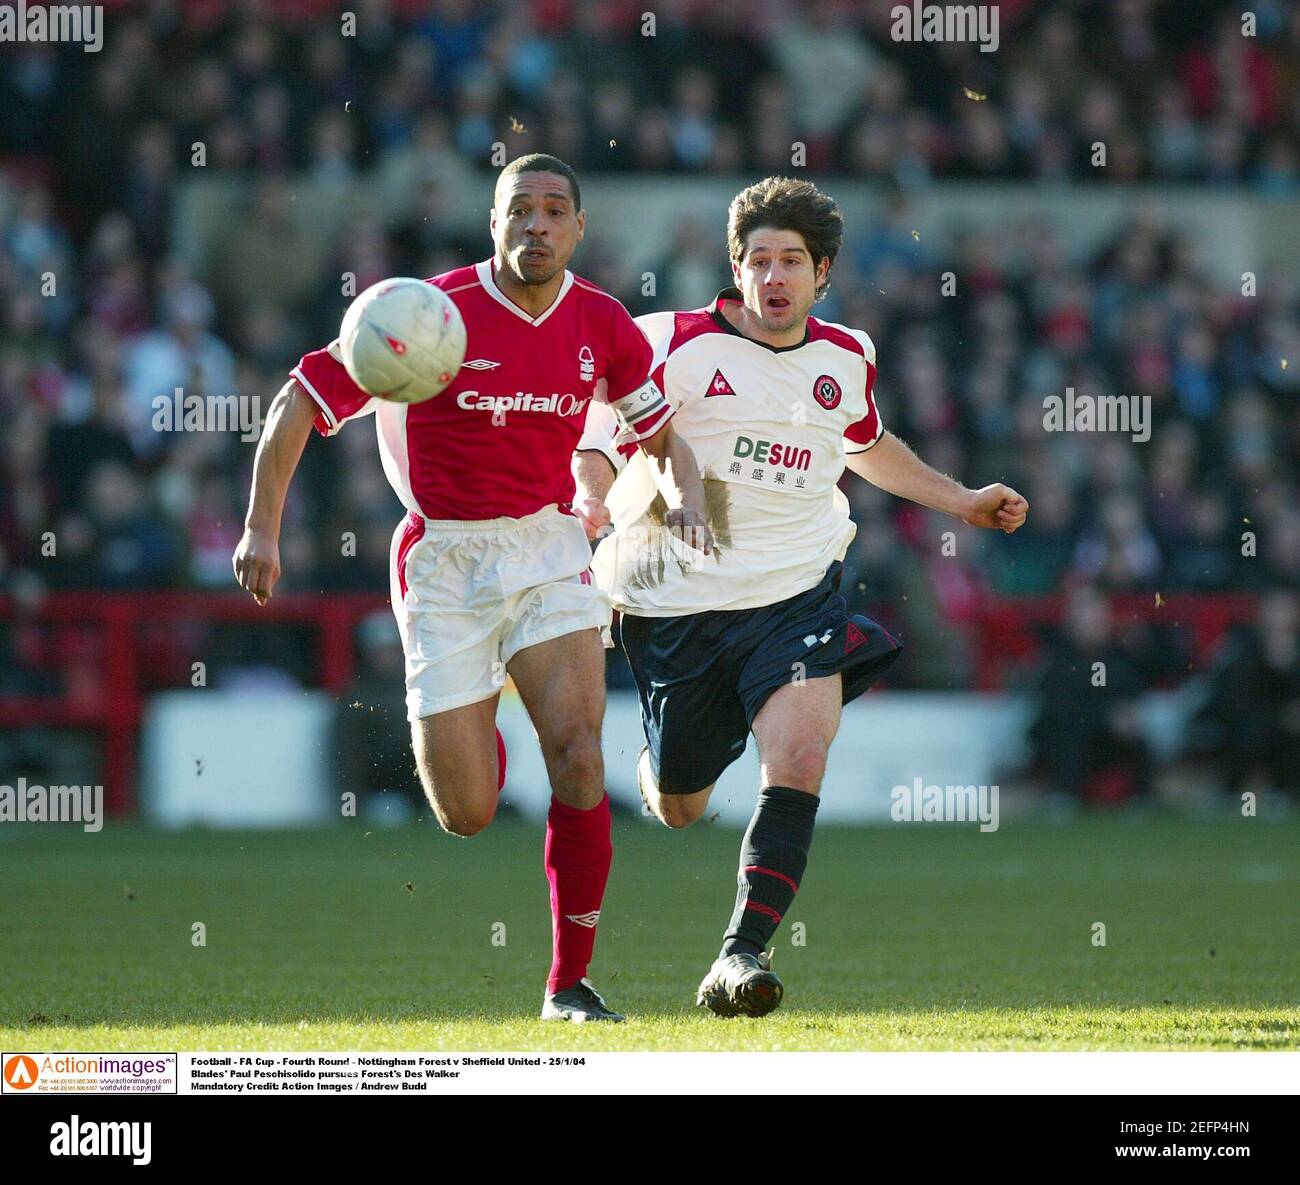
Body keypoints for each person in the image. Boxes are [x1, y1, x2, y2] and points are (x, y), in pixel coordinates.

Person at [233, 154, 713, 1022]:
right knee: (466, 812)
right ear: (492, 222)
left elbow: (661, 434)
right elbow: (298, 401)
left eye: (554, 209)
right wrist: (262, 525)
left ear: (577, 228)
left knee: (577, 753)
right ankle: (479, 716)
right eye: (518, 209)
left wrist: (686, 503)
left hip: (547, 543)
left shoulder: (602, 323)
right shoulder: (423, 312)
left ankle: (570, 982)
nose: (536, 223)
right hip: (444, 558)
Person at [573, 176, 1027, 1017]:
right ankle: (665, 764)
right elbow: (599, 436)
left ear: (823, 273)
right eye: (757, 260)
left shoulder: (846, 355)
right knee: (680, 806)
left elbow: (865, 443)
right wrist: (593, 499)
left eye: (791, 261)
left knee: (801, 760)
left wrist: (960, 500)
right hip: (678, 609)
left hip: (796, 594)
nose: (773, 276)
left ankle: (739, 955)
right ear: (735, 268)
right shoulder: (670, 342)